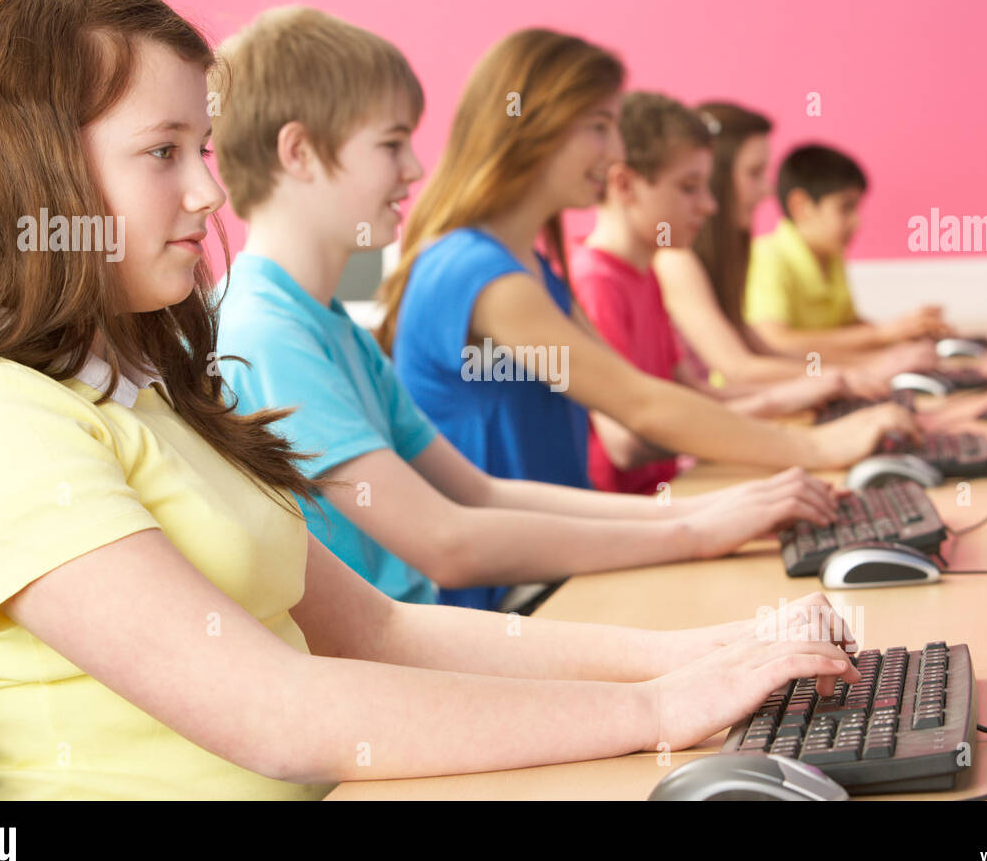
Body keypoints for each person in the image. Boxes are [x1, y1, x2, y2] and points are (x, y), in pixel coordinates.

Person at [0, 0, 860, 800]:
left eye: (200, 151)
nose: (210, 193)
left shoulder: (137, 388)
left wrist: (699, 654)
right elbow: (277, 713)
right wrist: (654, 709)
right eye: (163, 152)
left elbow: (379, 627)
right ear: (29, 174)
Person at [210, 8, 842, 613]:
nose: (415, 167)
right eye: (392, 144)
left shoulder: (327, 324)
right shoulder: (267, 332)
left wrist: (705, 515)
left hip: (459, 621)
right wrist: (698, 531)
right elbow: (447, 545)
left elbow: (481, 493)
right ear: (297, 153)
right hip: (431, 644)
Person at [376, 29, 919, 552]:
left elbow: (643, 392)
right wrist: (816, 447)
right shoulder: (477, 272)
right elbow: (640, 408)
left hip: (549, 556)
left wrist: (724, 507)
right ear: (535, 124)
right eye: (599, 126)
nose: (614, 150)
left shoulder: (533, 267)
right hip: (506, 587)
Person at [569, 91, 893, 495]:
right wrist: (790, 418)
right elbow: (625, 443)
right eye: (689, 188)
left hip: (675, 489)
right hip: (634, 514)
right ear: (623, 185)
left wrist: (808, 390)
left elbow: (693, 393)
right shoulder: (597, 283)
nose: (708, 206)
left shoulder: (646, 273)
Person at [652, 102, 939, 388]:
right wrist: (860, 372)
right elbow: (739, 369)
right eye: (754, 173)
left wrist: (874, 363)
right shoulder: (675, 261)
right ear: (717, 179)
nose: (766, 189)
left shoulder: (728, 256)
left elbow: (765, 350)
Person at [743, 143, 954, 358]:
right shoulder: (768, 257)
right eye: (845, 208)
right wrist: (880, 335)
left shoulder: (830, 256)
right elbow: (775, 341)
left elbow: (847, 328)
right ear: (801, 206)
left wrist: (906, 330)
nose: (857, 223)